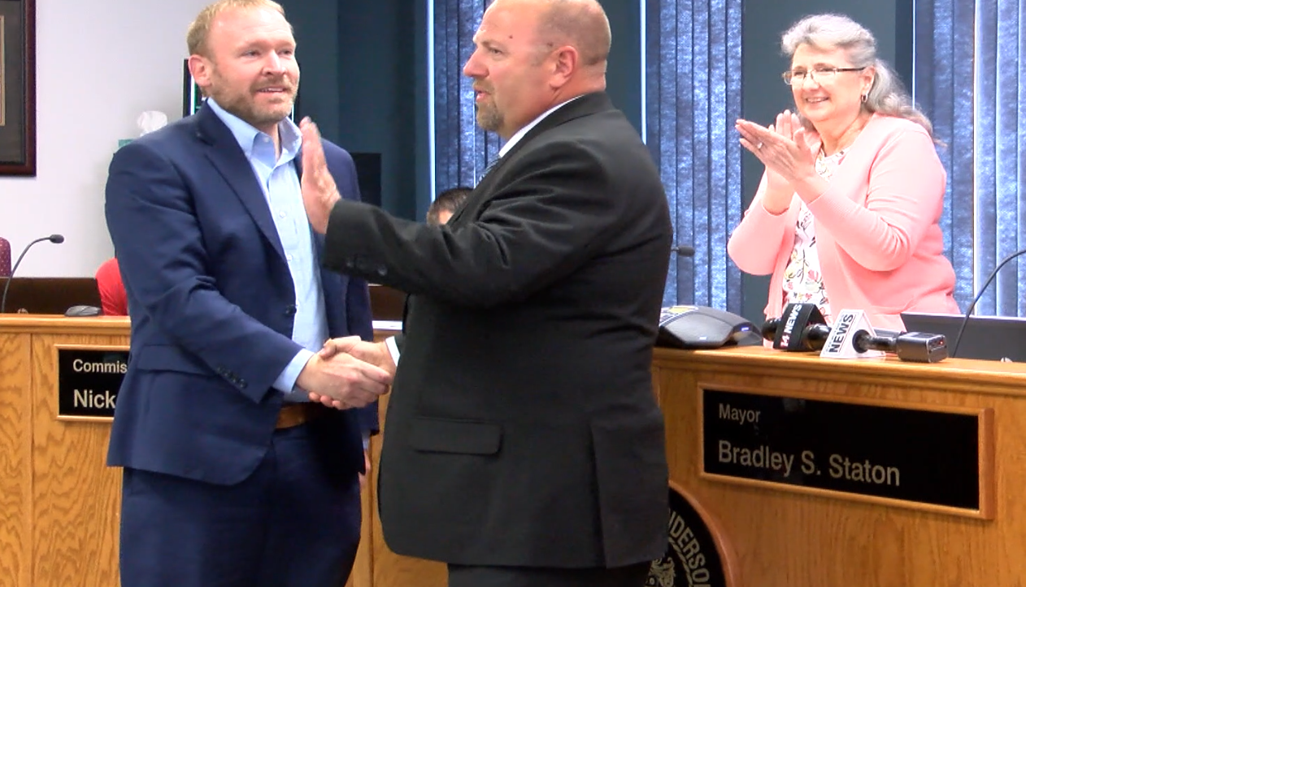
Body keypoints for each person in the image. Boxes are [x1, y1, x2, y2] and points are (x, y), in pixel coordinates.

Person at [299, 0, 673, 588]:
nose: (470, 66)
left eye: (494, 51)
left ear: (560, 65)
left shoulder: (581, 155)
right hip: (524, 513)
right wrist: (401, 354)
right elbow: (527, 307)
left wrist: (339, 220)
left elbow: (484, 265)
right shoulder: (559, 145)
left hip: (545, 516)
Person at [102, 0, 392, 587]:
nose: (276, 67)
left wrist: (359, 424)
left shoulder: (329, 161)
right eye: (252, 53)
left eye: (285, 51)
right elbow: (180, 299)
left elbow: (348, 294)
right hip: (198, 457)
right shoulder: (152, 164)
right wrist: (304, 369)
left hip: (321, 455)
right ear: (200, 71)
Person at [728, 13, 960, 334]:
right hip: (796, 345)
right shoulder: (799, 145)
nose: (810, 84)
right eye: (799, 72)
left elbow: (887, 250)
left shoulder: (902, 140)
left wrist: (805, 181)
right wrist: (777, 193)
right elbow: (749, 260)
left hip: (887, 345)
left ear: (866, 79)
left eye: (825, 70)